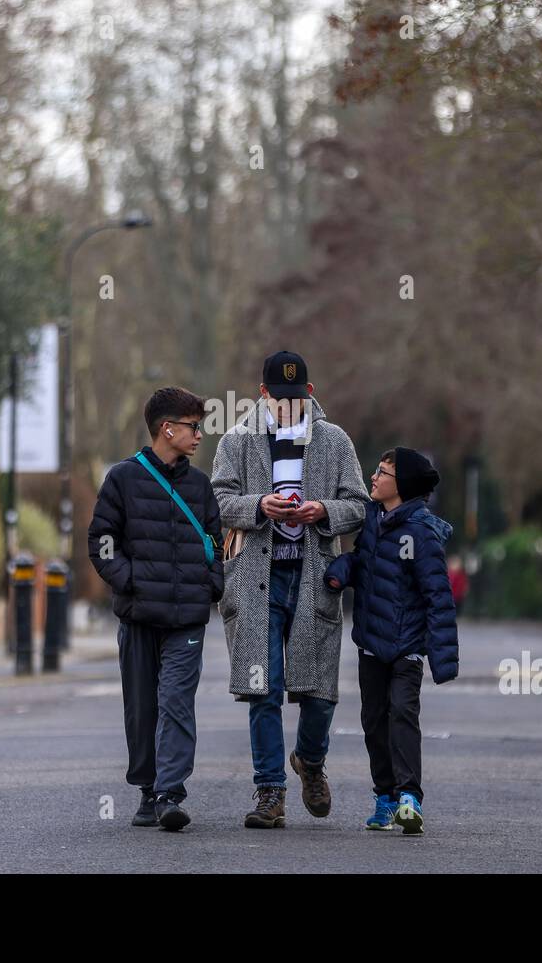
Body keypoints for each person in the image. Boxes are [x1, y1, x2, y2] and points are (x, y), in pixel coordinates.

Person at [211, 351, 370, 828]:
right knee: (264, 689)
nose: (288, 407)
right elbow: (219, 500)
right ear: (263, 395)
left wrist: (323, 511)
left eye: (296, 399)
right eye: (279, 399)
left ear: (310, 394)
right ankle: (270, 793)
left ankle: (310, 762)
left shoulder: (335, 441)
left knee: (319, 692)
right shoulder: (236, 441)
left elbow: (359, 504)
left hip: (314, 576)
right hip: (257, 580)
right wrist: (260, 505)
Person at [88, 386, 223, 832]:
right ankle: (147, 790)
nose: (199, 435)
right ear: (168, 429)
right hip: (139, 614)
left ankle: (170, 794)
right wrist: (131, 583)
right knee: (142, 706)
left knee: (177, 702)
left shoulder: (201, 487)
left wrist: (212, 587)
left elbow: (216, 542)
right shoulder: (122, 479)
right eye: (192, 426)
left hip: (186, 616)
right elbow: (102, 541)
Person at [326, 447, 459, 835]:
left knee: (402, 713)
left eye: (382, 473)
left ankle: (409, 798)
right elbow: (362, 561)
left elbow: (439, 596)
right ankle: (384, 797)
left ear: (400, 486)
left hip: (407, 647)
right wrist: (340, 570)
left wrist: (442, 656)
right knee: (372, 721)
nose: (373, 477)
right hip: (371, 643)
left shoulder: (421, 532)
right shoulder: (371, 520)